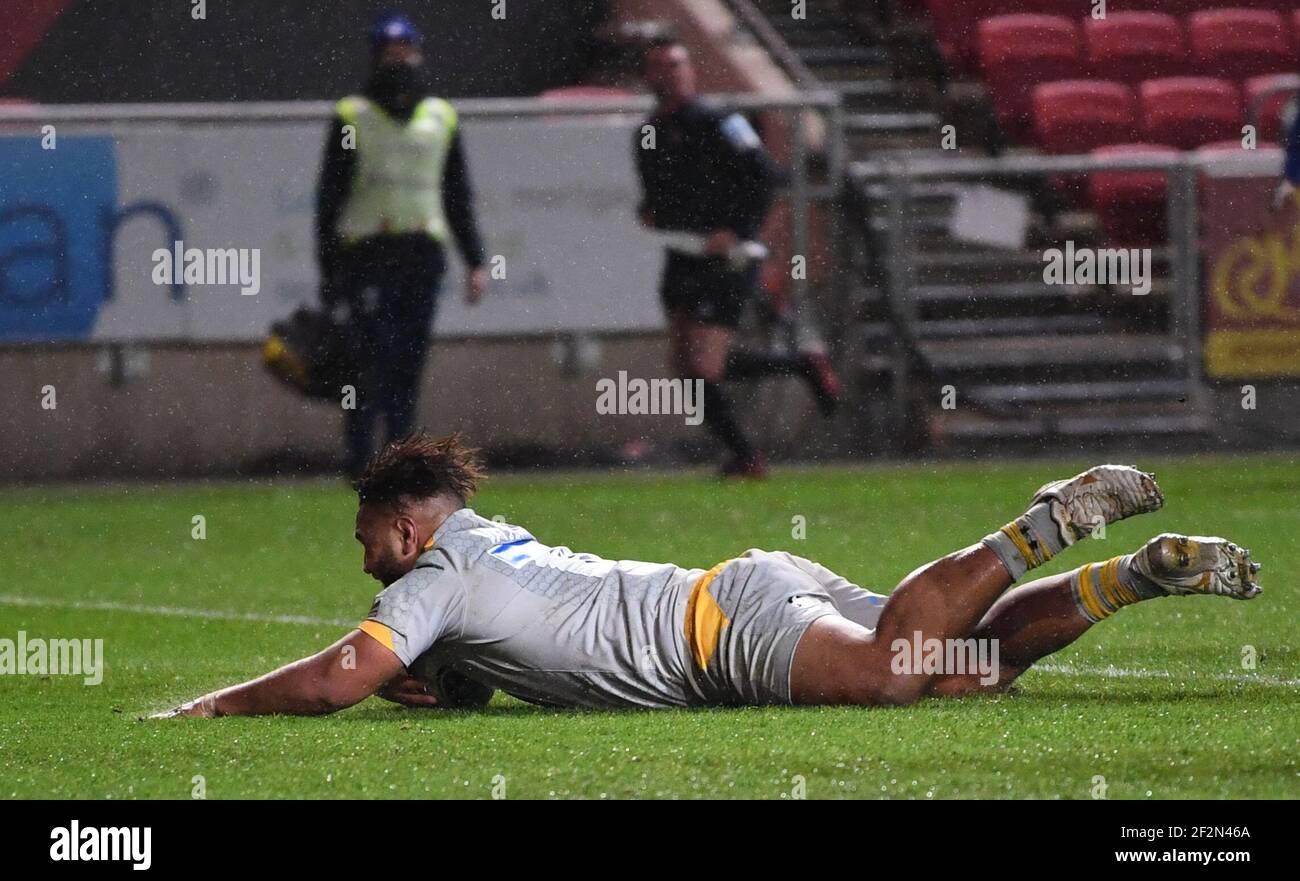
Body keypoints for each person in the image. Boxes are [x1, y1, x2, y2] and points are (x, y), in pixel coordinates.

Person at [153, 434, 1261, 717]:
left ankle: (1043, 522)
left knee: (887, 676)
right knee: (963, 669)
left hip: (717, 629)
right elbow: (515, 644)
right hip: (740, 586)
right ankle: (1132, 576)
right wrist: (450, 684)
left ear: (403, 525)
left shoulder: (432, 573)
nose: (361, 562)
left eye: (363, 540)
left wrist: (220, 703)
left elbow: (336, 678)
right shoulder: (488, 540)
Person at [634, 36, 842, 479]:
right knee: (686, 366)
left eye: (676, 64)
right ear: (648, 75)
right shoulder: (648, 133)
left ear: (690, 71)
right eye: (659, 66)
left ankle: (749, 453)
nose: (668, 74)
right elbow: (658, 196)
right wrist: (650, 212)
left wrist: (740, 234)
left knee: (704, 366)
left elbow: (766, 178)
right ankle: (789, 382)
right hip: (682, 254)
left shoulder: (719, 120)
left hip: (726, 258)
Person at [317, 13, 487, 478]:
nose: (399, 63)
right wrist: (328, 271)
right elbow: (329, 198)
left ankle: (400, 459)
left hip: (420, 253)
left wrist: (476, 260)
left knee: (408, 362)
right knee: (366, 360)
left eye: (405, 53)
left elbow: (456, 194)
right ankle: (358, 460)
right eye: (390, 54)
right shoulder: (353, 115)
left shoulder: (440, 117)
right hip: (366, 253)